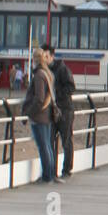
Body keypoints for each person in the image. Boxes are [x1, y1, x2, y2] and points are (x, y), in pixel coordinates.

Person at [24, 48, 58, 184]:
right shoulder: (48, 74)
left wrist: (30, 112)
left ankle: (46, 176)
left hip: (40, 116)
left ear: (35, 60)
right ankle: (49, 174)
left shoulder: (39, 75)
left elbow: (39, 98)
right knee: (47, 146)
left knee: (43, 146)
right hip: (47, 114)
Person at [43, 43, 75, 179]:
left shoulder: (62, 69)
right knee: (50, 141)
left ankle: (66, 170)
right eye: (42, 56)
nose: (44, 59)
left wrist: (56, 94)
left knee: (66, 140)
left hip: (65, 110)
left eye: (46, 56)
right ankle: (52, 170)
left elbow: (71, 87)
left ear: (52, 56)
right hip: (52, 111)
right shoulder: (44, 70)